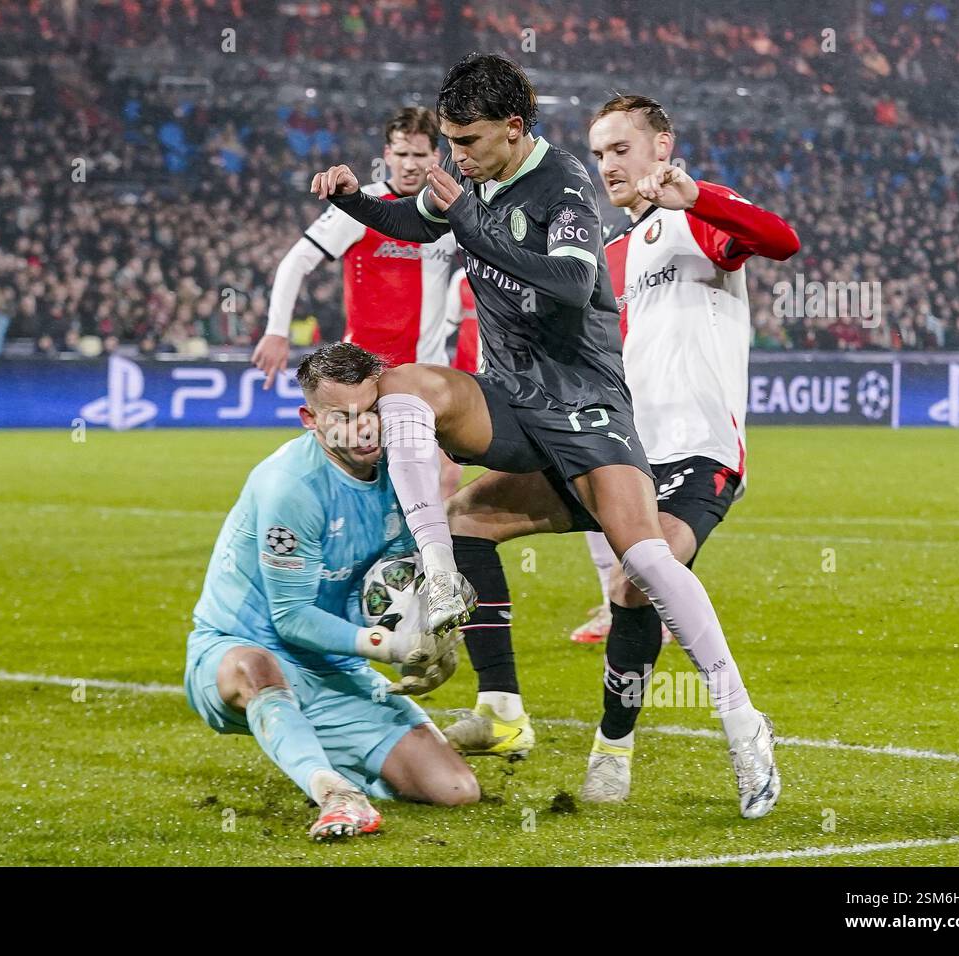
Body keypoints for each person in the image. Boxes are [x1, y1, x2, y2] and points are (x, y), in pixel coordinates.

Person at [310, 55, 780, 818]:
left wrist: (467, 221)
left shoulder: (561, 185)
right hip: (512, 398)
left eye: (467, 140)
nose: (454, 156)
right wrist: (355, 200)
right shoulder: (477, 177)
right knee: (408, 393)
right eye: (449, 141)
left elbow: (567, 282)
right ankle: (459, 622)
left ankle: (741, 722)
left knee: (644, 561)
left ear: (513, 128)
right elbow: (408, 219)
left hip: (586, 404)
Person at [574, 94, 800, 801]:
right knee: (627, 592)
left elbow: (783, 240)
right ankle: (603, 743)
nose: (608, 164)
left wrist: (696, 195)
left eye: (621, 148)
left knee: (637, 579)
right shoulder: (607, 255)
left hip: (701, 449)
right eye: (600, 153)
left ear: (661, 147)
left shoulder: (698, 218)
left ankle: (691, 734)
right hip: (630, 452)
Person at [185, 343, 479, 841]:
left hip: (335, 666)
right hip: (239, 653)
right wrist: (389, 646)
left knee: (455, 789)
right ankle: (333, 793)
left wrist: (433, 646)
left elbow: (401, 582)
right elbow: (292, 619)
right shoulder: (290, 486)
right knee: (257, 666)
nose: (363, 427)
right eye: (343, 417)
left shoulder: (402, 470)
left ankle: (330, 759)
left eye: (372, 411)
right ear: (309, 418)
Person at [256, 105, 470, 497]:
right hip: (364, 380)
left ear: (436, 157)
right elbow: (296, 261)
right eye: (401, 154)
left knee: (444, 478)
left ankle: (417, 558)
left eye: (419, 155)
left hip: (427, 372)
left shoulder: (448, 210)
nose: (409, 164)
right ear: (387, 155)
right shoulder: (362, 205)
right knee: (361, 482)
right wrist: (276, 332)